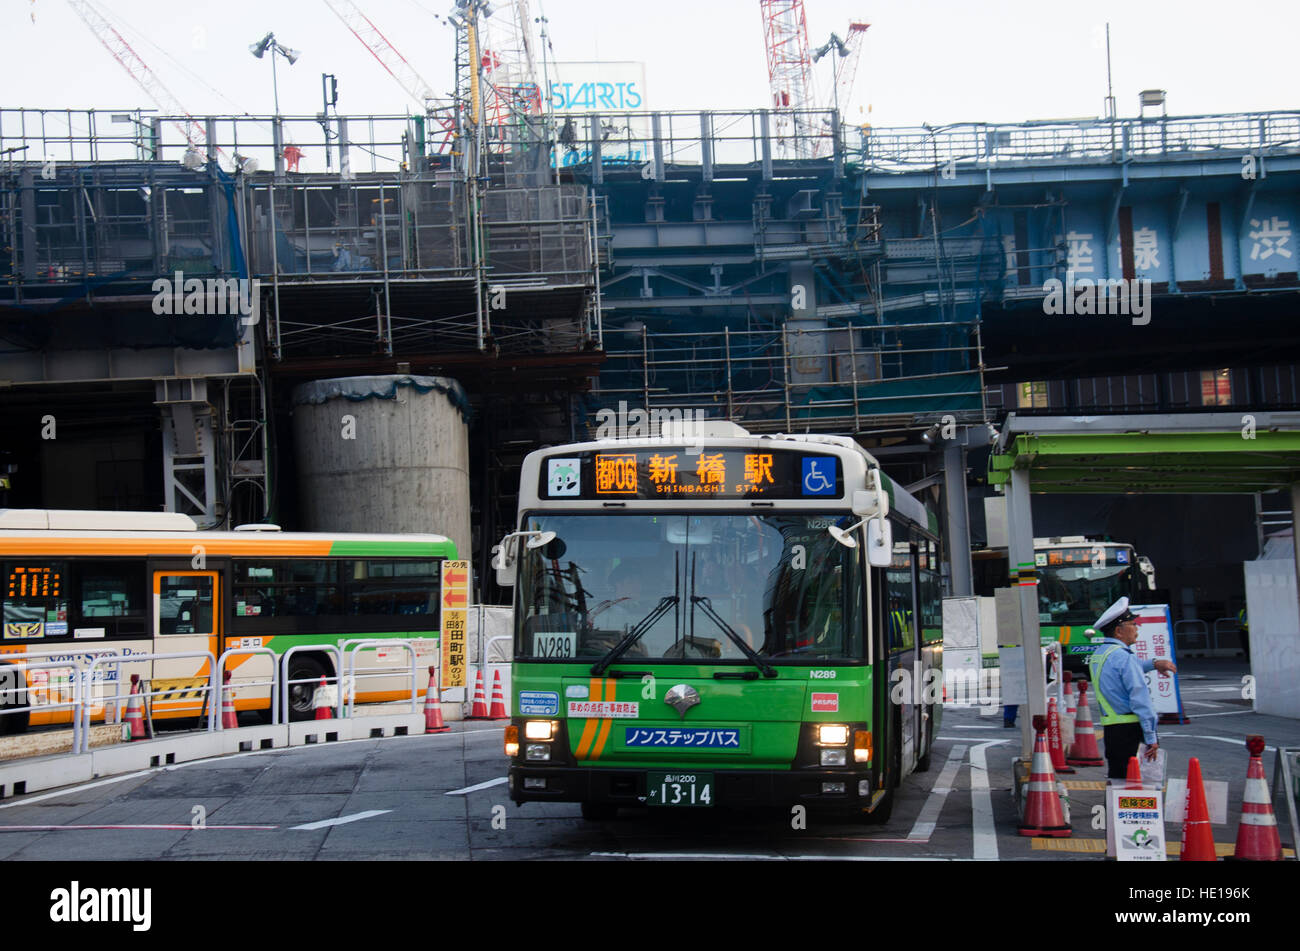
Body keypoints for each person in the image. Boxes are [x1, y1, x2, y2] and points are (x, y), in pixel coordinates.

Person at [1087, 596, 1177, 780]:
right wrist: (1151, 736)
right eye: (1132, 624)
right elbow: (1140, 698)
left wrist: (1153, 663)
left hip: (1113, 729)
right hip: (1131, 730)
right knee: (1139, 783)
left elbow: (1122, 670)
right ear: (1119, 631)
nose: (1137, 628)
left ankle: (1113, 809)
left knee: (1118, 779)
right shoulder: (1124, 657)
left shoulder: (1100, 655)